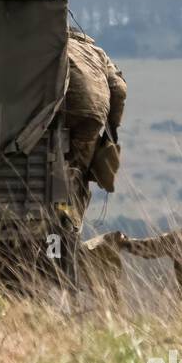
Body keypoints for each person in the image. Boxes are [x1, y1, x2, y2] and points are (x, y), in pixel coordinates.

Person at [63, 28, 127, 225]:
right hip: (95, 116)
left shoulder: (55, 45)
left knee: (64, 165)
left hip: (64, 111)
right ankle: (71, 218)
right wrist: (112, 128)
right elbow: (119, 89)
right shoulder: (97, 52)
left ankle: (66, 216)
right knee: (77, 168)